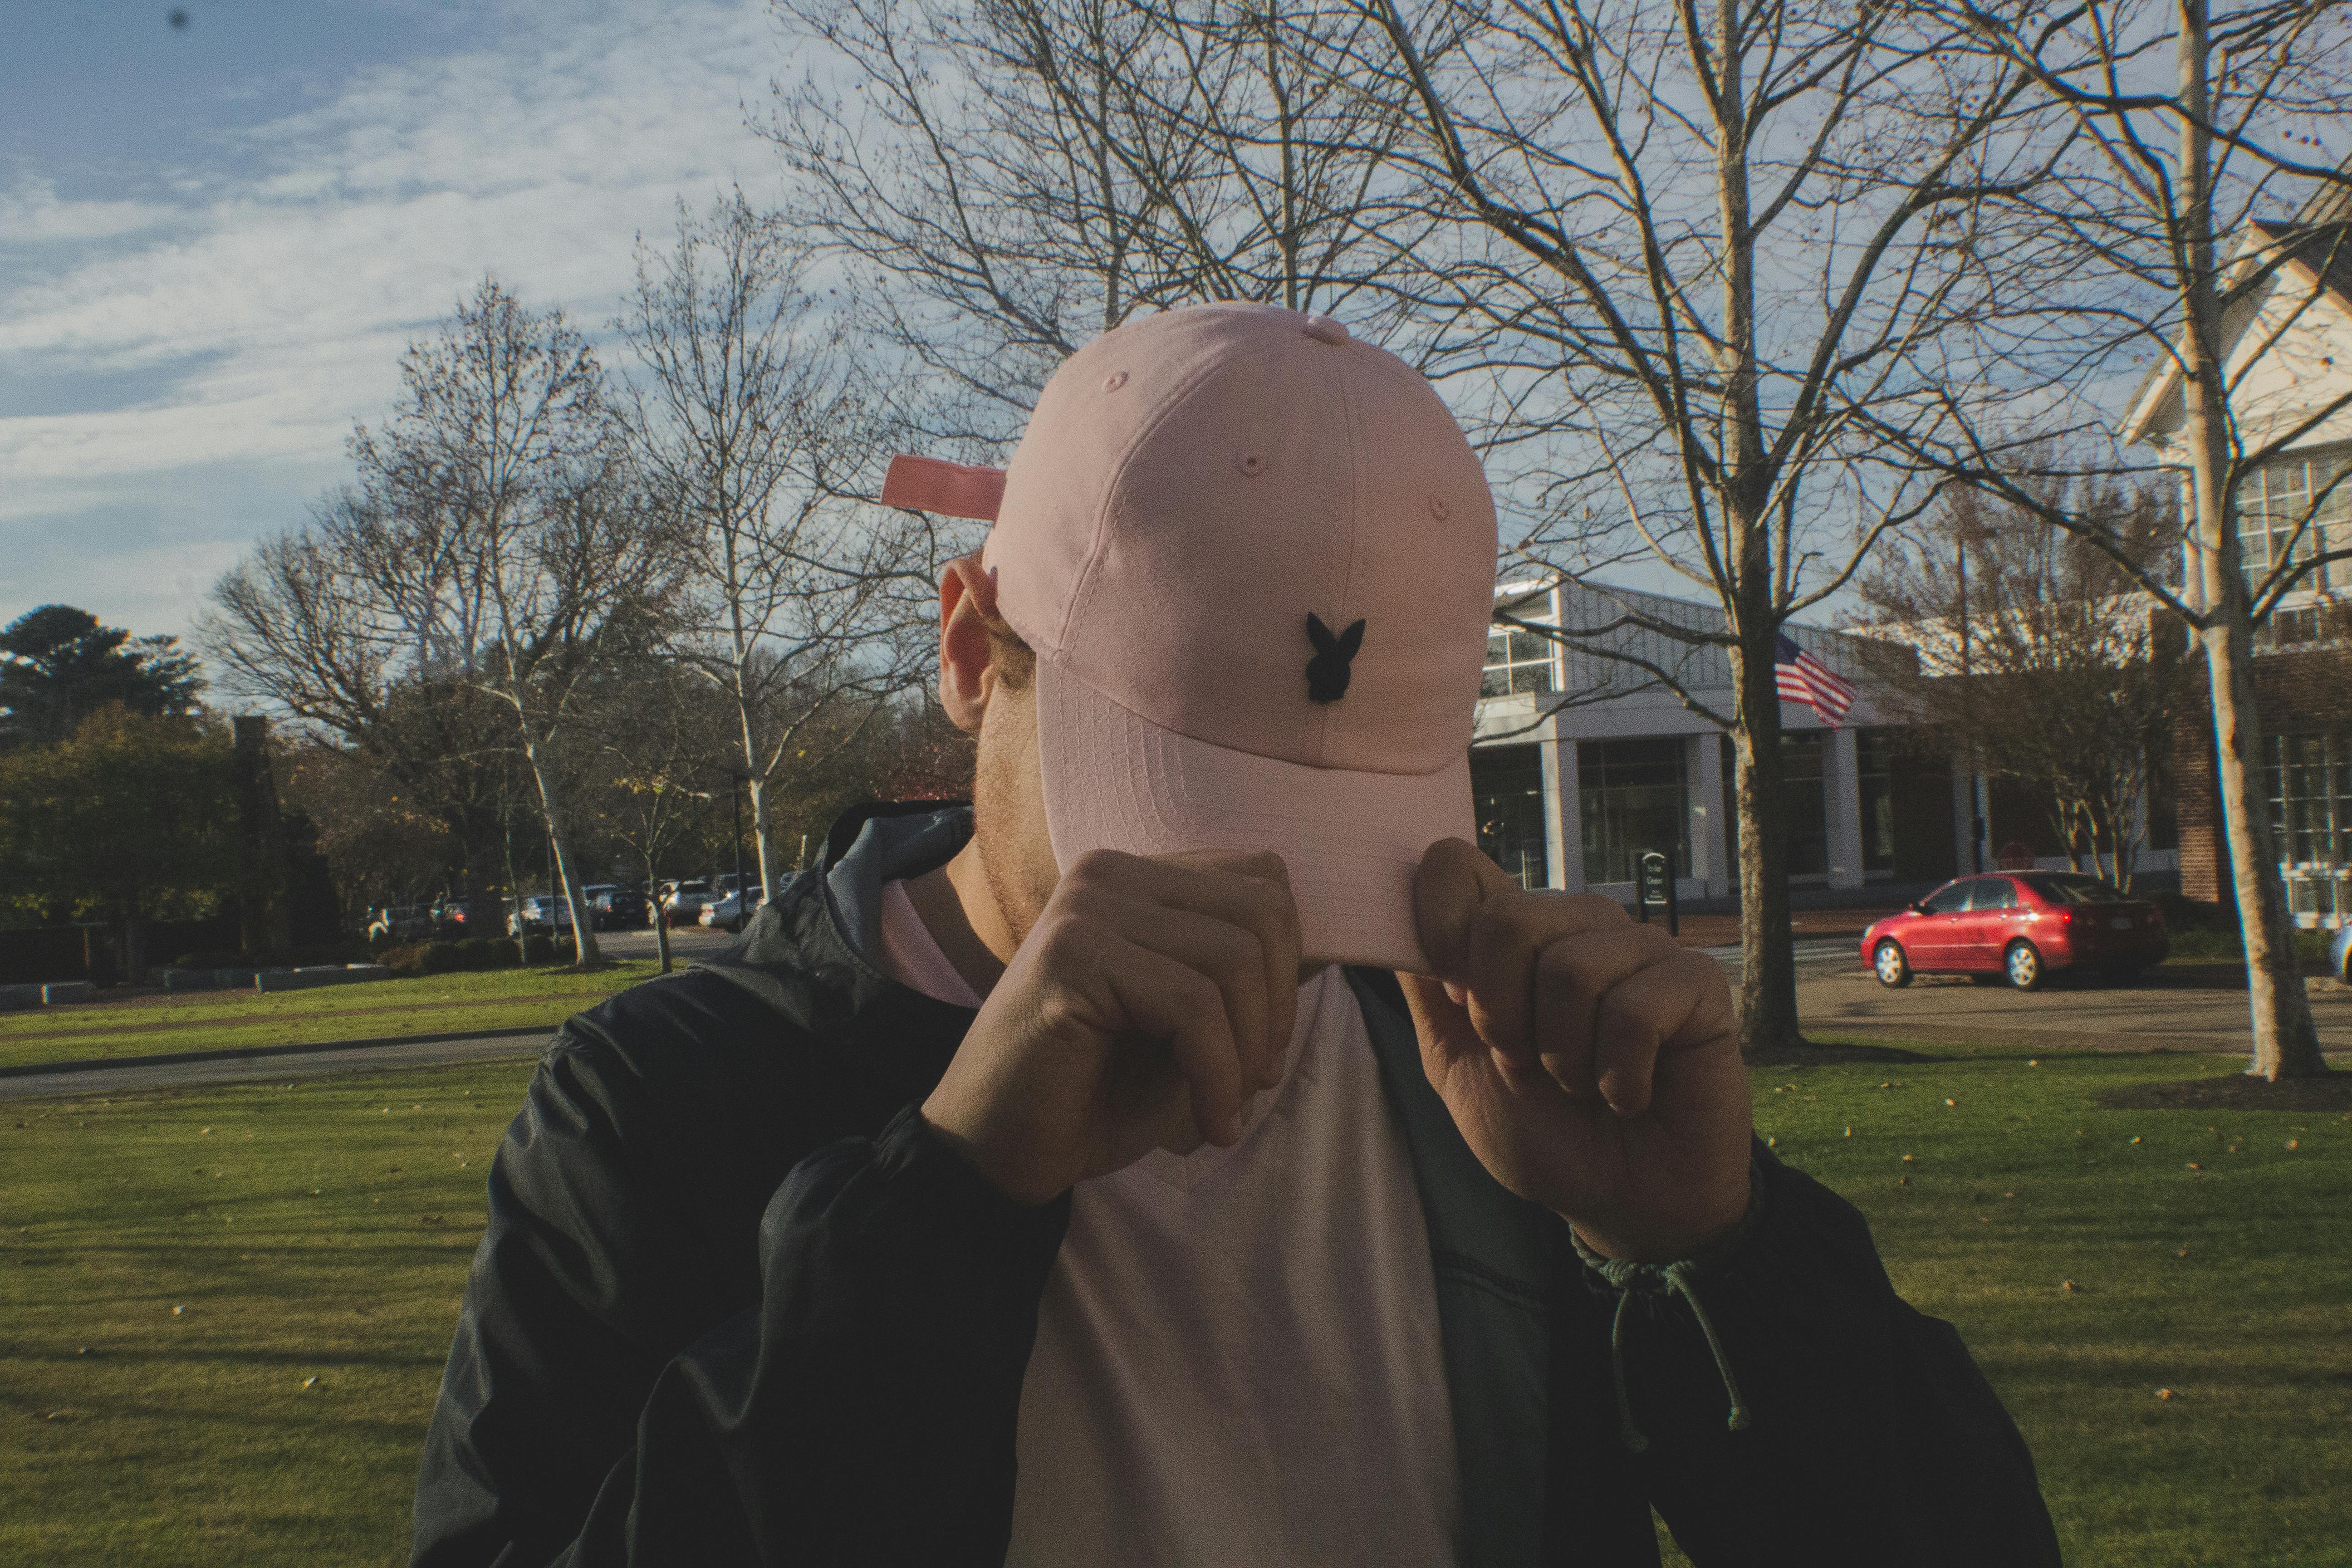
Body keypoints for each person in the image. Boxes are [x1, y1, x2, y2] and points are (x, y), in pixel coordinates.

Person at [410, 303, 2059, 1566]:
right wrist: (945, 1206)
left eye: (1343, 833)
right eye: (1191, 797)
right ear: (975, 649)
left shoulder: (1472, 1074)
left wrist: (1725, 1255)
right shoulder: (664, 1112)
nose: (1281, 905)